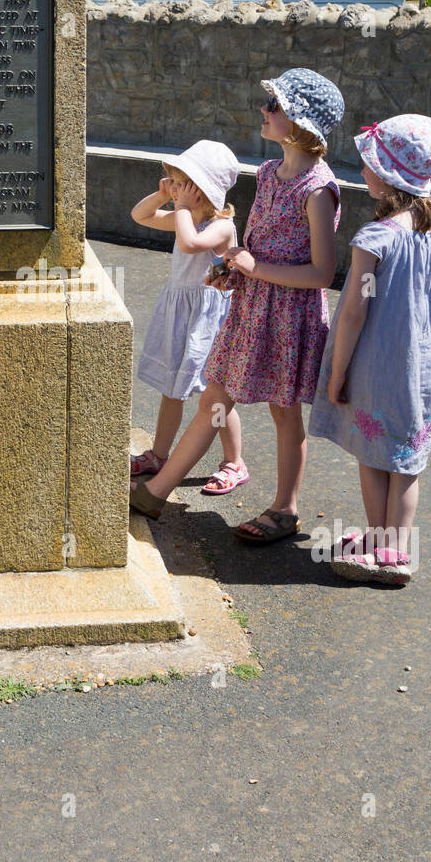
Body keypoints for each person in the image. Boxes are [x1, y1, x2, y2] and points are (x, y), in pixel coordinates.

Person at [130, 68, 344, 542]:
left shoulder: (318, 190)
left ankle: (284, 510)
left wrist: (252, 265)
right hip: (251, 307)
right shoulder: (269, 173)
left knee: (284, 411)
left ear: (301, 123)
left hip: (288, 316)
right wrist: (235, 270)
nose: (264, 111)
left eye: (275, 107)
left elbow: (322, 275)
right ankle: (157, 491)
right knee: (214, 397)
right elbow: (255, 245)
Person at [308, 115, 431, 586]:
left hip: (375, 364)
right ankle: (392, 546)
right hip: (422, 367)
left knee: (373, 454)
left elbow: (353, 313)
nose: (362, 171)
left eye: (369, 164)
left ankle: (381, 542)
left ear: (388, 176)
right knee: (406, 457)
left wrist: (337, 372)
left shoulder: (376, 239)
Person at [129, 141, 246, 494]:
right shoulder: (186, 217)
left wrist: (179, 208)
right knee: (172, 388)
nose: (175, 187)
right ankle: (159, 455)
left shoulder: (221, 226)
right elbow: (140, 215)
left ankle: (234, 462)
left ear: (202, 190)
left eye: (181, 182)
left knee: (214, 395)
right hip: (181, 311)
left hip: (207, 317)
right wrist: (163, 197)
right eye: (174, 181)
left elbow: (191, 244)